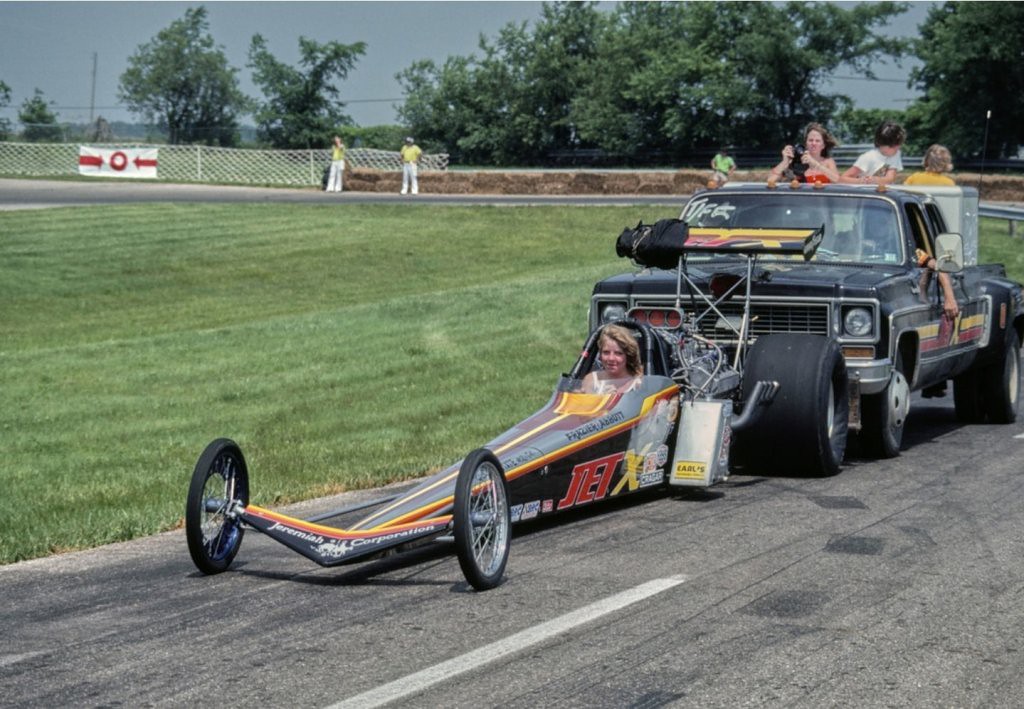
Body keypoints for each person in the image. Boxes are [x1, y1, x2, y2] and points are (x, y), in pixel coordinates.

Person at [769, 123, 840, 184]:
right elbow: (770, 181)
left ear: (823, 145)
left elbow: (838, 181)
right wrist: (785, 162)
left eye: (817, 141)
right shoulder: (795, 162)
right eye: (810, 140)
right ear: (806, 143)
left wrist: (815, 164)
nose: (813, 143)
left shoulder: (828, 162)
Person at [582, 324, 643, 394]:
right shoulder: (591, 380)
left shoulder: (639, 383)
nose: (611, 358)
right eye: (606, 352)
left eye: (618, 353)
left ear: (628, 355)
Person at [840, 120, 905, 186]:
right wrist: (861, 181)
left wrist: (875, 180)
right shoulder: (868, 158)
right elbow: (842, 179)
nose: (897, 149)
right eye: (893, 147)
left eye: (898, 146)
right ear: (880, 144)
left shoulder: (895, 154)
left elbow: (890, 178)